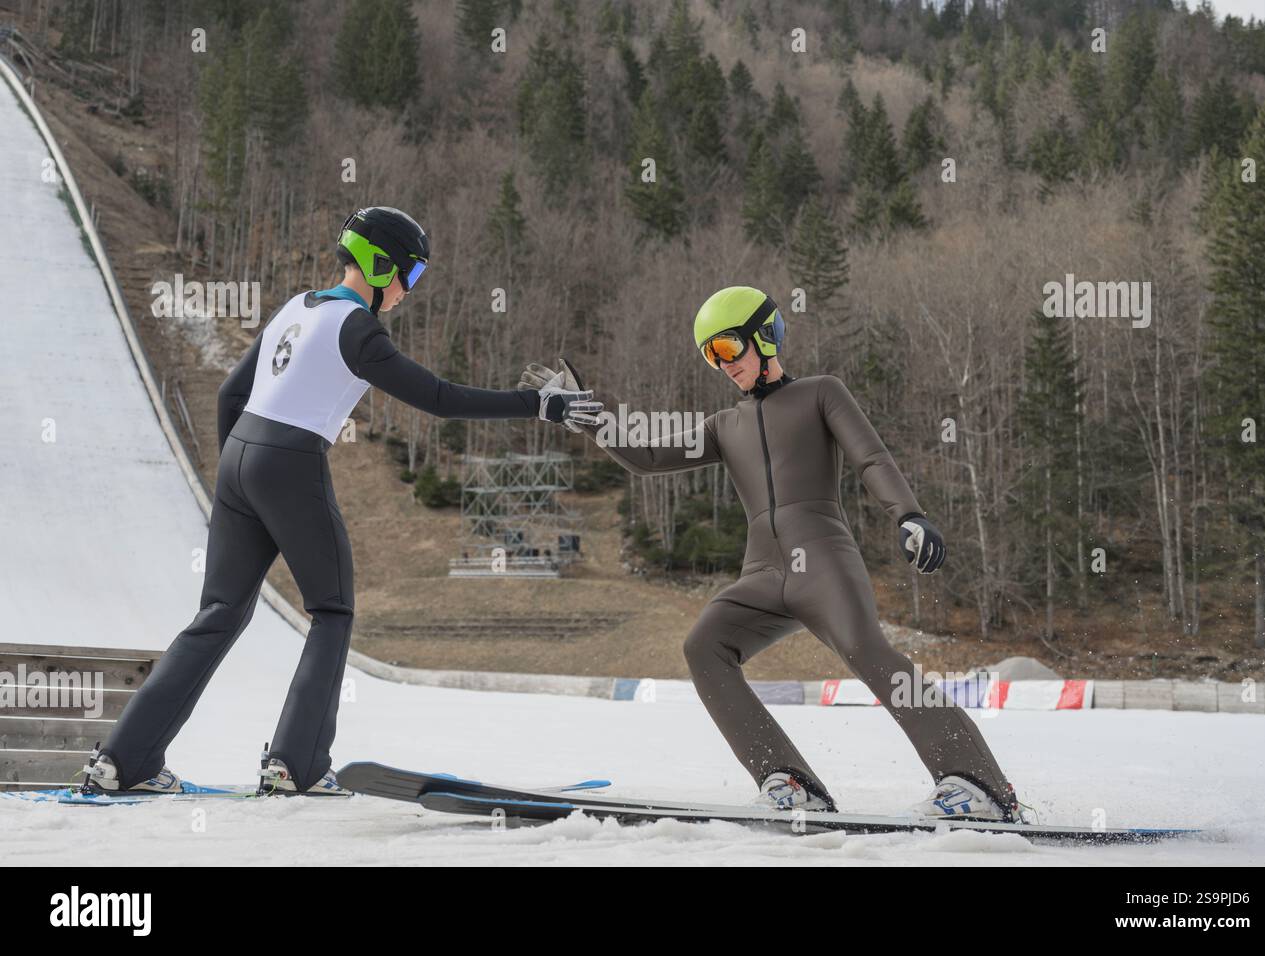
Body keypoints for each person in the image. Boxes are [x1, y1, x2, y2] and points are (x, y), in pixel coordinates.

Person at [85, 207, 600, 795]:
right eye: (411, 276)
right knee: (332, 610)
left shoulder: (296, 307)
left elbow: (231, 394)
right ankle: (295, 767)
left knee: (219, 614)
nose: (409, 292)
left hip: (239, 459)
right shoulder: (357, 328)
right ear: (383, 268)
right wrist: (539, 405)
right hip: (290, 461)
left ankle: (124, 763)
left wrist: (239, 484)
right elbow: (439, 398)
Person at [520, 286, 1023, 821]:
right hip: (762, 575)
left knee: (868, 652)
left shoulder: (820, 394)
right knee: (704, 646)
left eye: (729, 348)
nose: (723, 365)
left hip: (823, 559)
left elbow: (871, 458)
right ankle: (789, 781)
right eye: (711, 356)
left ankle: (977, 785)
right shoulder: (724, 426)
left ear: (765, 336)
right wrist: (591, 414)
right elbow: (646, 455)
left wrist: (908, 514)